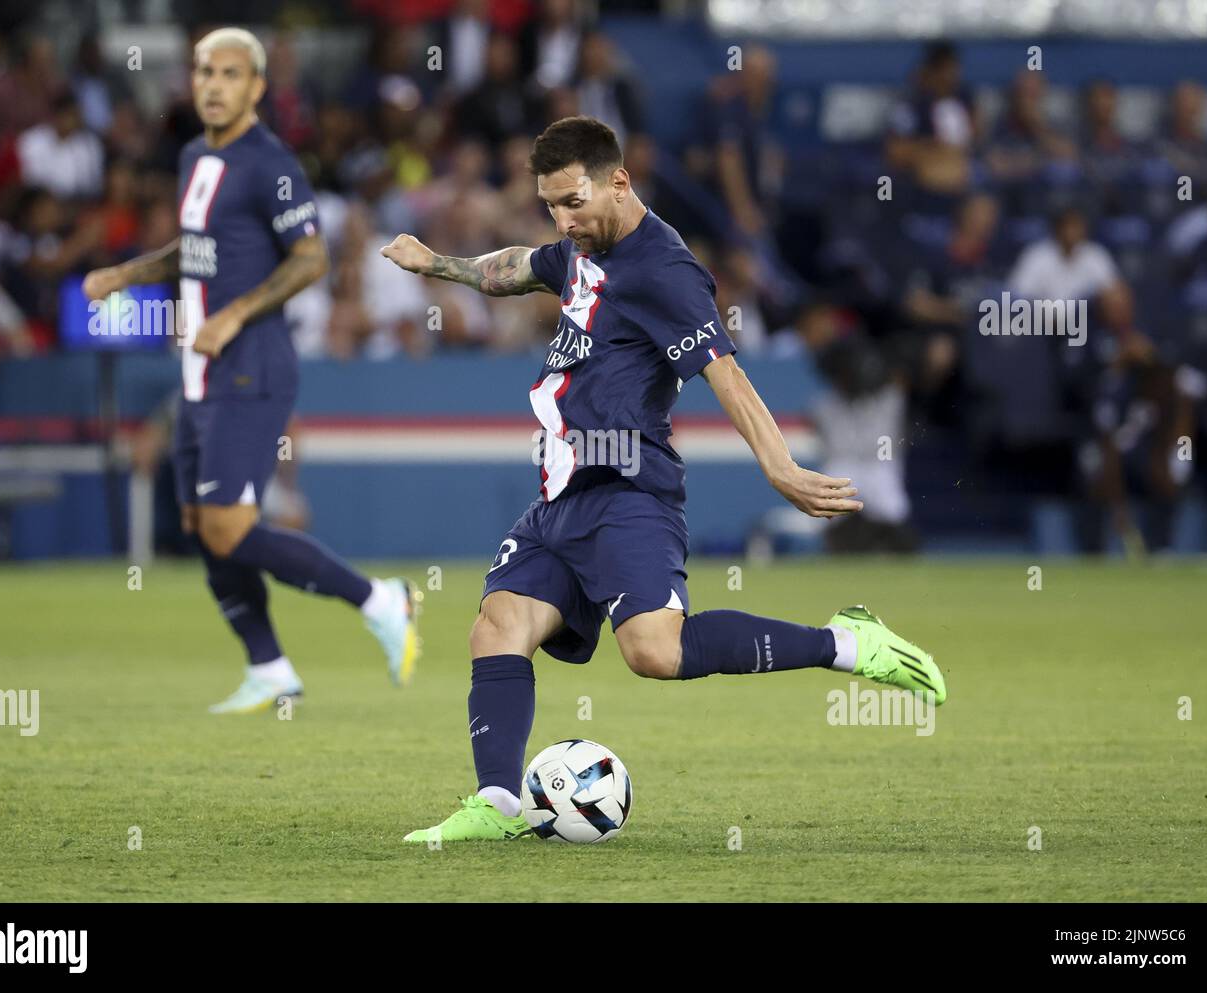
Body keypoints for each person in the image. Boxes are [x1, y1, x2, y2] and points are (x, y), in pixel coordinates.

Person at [380, 116, 947, 843]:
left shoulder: (665, 270)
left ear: (618, 180)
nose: (564, 220)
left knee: (655, 651)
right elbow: (521, 266)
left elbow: (726, 373)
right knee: (497, 626)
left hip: (626, 493)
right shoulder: (581, 247)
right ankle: (497, 800)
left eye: (574, 202)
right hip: (559, 497)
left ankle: (845, 641)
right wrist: (439, 265)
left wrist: (781, 466)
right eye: (552, 204)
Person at [81, 28, 419, 714]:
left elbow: (310, 258)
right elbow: (197, 246)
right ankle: (268, 665)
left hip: (251, 365)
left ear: (257, 87)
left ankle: (380, 598)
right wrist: (127, 271)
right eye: (204, 70)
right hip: (200, 370)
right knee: (199, 520)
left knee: (230, 526)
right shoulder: (193, 156)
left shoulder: (271, 162)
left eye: (230, 73)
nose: (212, 83)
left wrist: (233, 316)